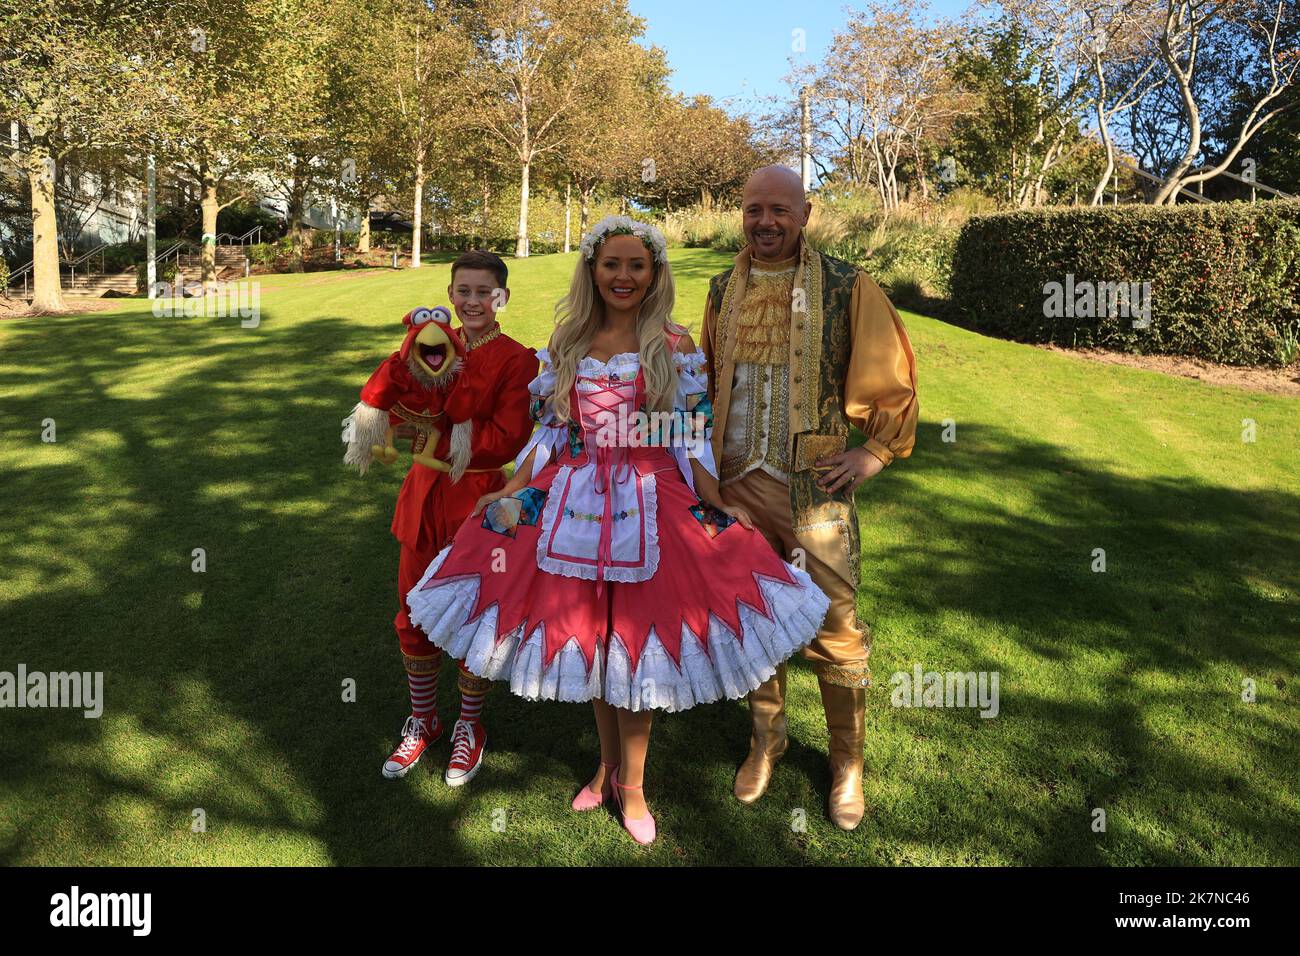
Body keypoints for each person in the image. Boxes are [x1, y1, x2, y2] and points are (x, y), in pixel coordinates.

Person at [405, 216, 830, 844]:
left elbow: (691, 441)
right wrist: (514, 488)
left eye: (636, 265)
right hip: (574, 500)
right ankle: (606, 770)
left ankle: (632, 786)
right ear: (593, 271)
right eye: (612, 265)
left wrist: (718, 502)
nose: (623, 277)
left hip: (651, 502)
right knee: (597, 647)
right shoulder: (569, 338)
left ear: (654, 273)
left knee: (636, 652)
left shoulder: (676, 343)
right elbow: (552, 436)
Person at [703, 166, 918, 830]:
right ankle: (767, 742)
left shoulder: (848, 285)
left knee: (834, 625)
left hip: (812, 490)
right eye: (752, 210)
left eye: (779, 210)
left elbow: (890, 373)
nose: (765, 221)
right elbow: (704, 375)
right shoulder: (720, 288)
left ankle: (848, 765)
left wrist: (875, 449)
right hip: (735, 484)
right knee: (752, 617)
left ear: (806, 212)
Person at [344, 250, 538, 785]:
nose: (473, 301)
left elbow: (508, 438)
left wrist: (430, 433)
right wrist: (391, 423)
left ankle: (469, 727)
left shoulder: (518, 359)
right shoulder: (431, 346)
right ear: (451, 294)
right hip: (424, 498)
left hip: (479, 502)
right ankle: (425, 720)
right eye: (464, 291)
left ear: (501, 297)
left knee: (476, 619)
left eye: (484, 292)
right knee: (413, 614)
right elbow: (395, 398)